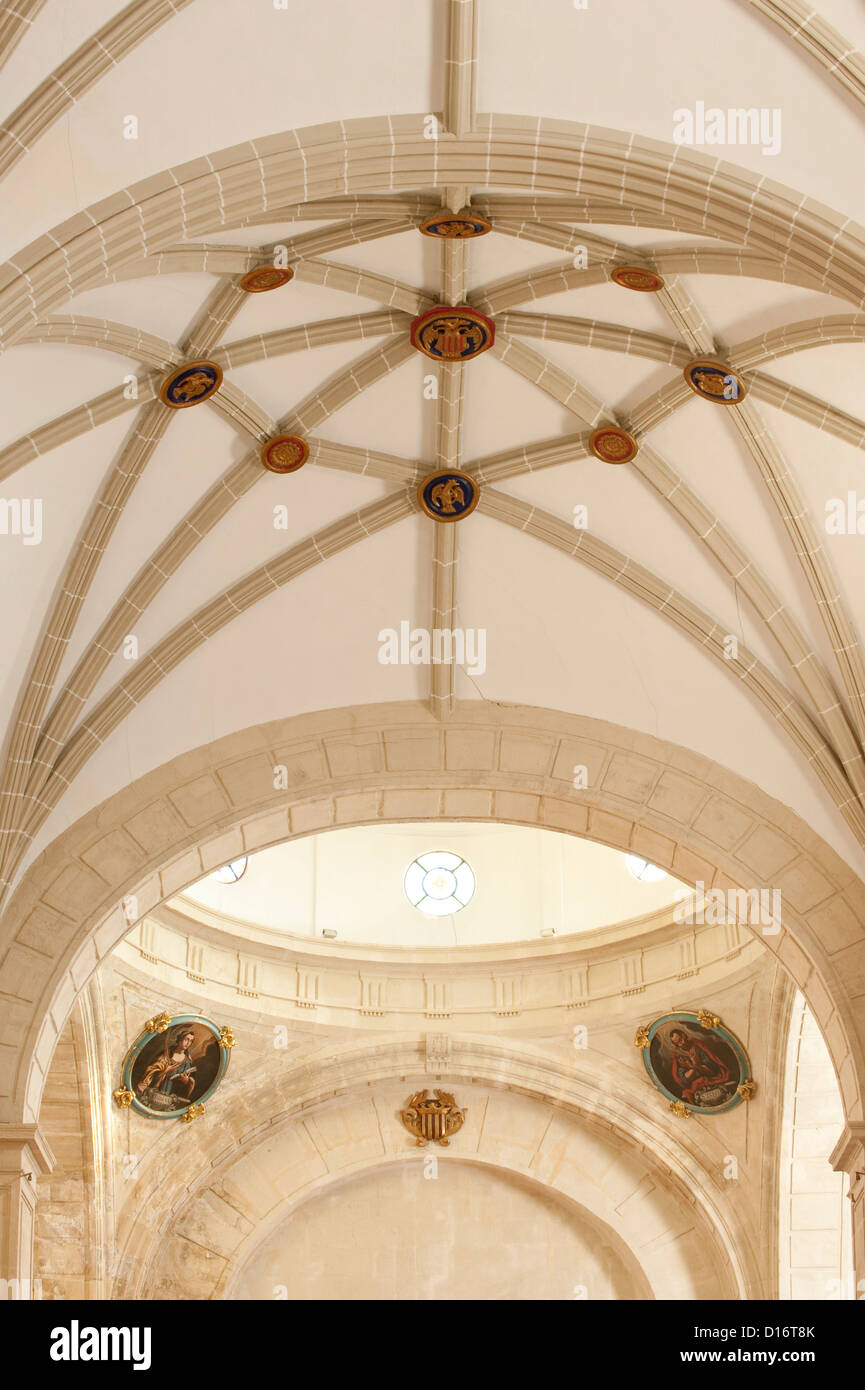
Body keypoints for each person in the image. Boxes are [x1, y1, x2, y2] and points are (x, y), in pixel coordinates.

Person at [135, 1025, 198, 1110]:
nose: (188, 1043)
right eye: (186, 1039)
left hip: (170, 1096)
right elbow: (153, 1068)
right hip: (155, 1091)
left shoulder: (187, 1062)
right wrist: (164, 1071)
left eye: (190, 1041)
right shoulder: (167, 1053)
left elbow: (185, 1085)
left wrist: (186, 1081)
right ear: (180, 1039)